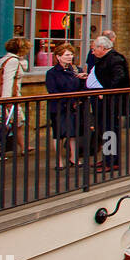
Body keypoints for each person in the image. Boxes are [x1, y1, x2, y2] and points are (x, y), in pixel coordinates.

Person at [88, 35, 129, 171]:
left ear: (102, 48)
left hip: (111, 103)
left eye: (94, 49)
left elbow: (119, 77)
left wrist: (106, 91)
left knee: (110, 130)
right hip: (104, 102)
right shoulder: (104, 59)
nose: (92, 52)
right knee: (105, 130)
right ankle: (107, 158)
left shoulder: (115, 59)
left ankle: (111, 161)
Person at [44, 41, 85, 169]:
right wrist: (68, 100)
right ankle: (58, 161)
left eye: (71, 54)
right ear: (58, 57)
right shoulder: (52, 73)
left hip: (74, 106)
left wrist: (83, 80)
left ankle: (74, 157)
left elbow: (83, 87)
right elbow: (52, 90)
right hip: (59, 107)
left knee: (73, 133)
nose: (69, 57)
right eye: (66, 55)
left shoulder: (77, 70)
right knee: (58, 134)